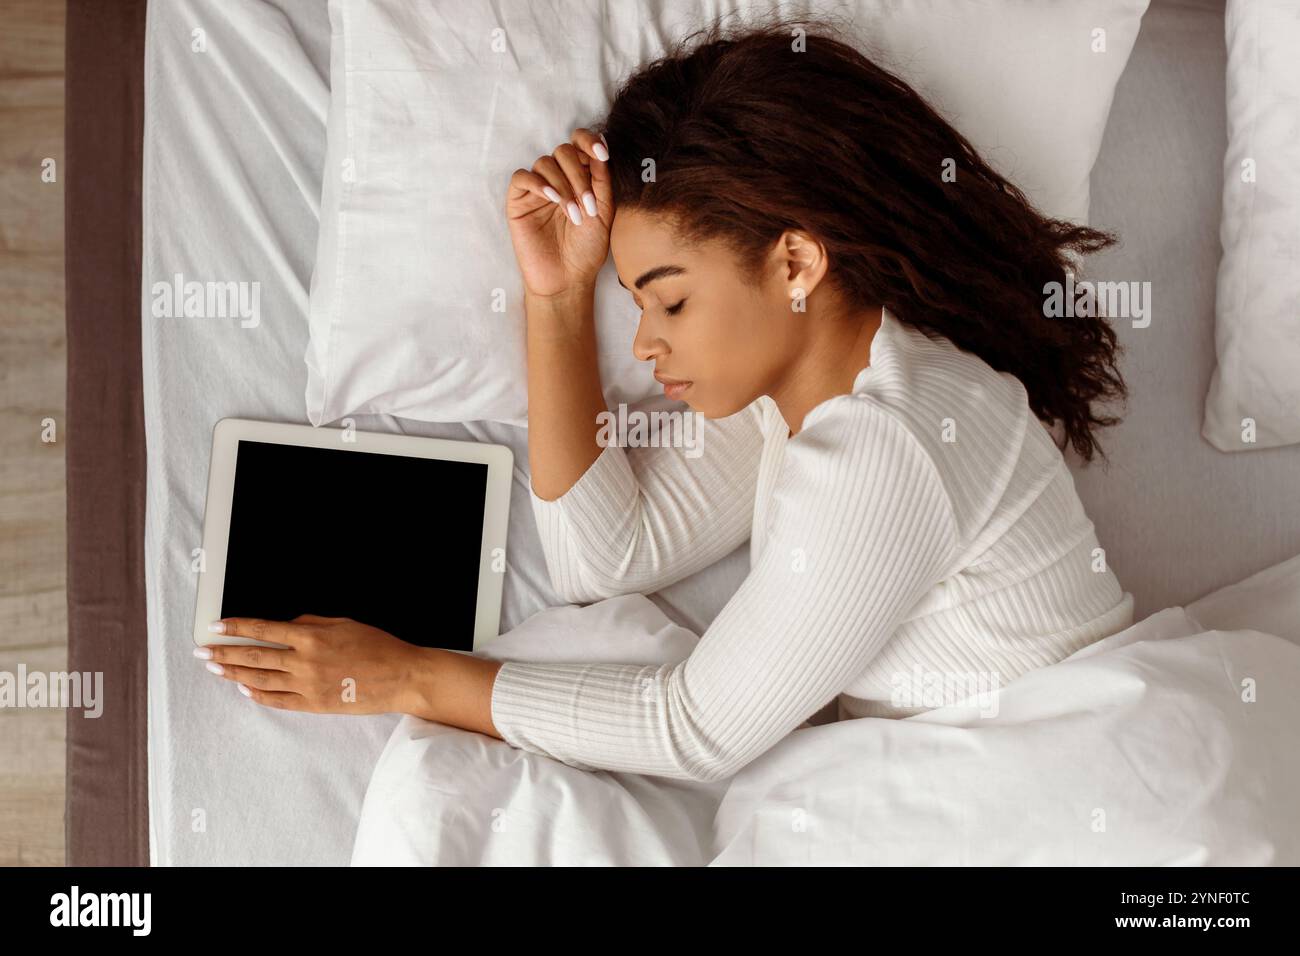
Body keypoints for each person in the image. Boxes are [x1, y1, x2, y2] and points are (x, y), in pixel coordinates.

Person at [197, 18, 1134, 783]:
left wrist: (403, 676)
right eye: (635, 302)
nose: (645, 343)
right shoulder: (798, 391)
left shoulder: (889, 441)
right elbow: (604, 559)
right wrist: (557, 301)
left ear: (797, 262)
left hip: (1052, 784)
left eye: (672, 299)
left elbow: (695, 730)